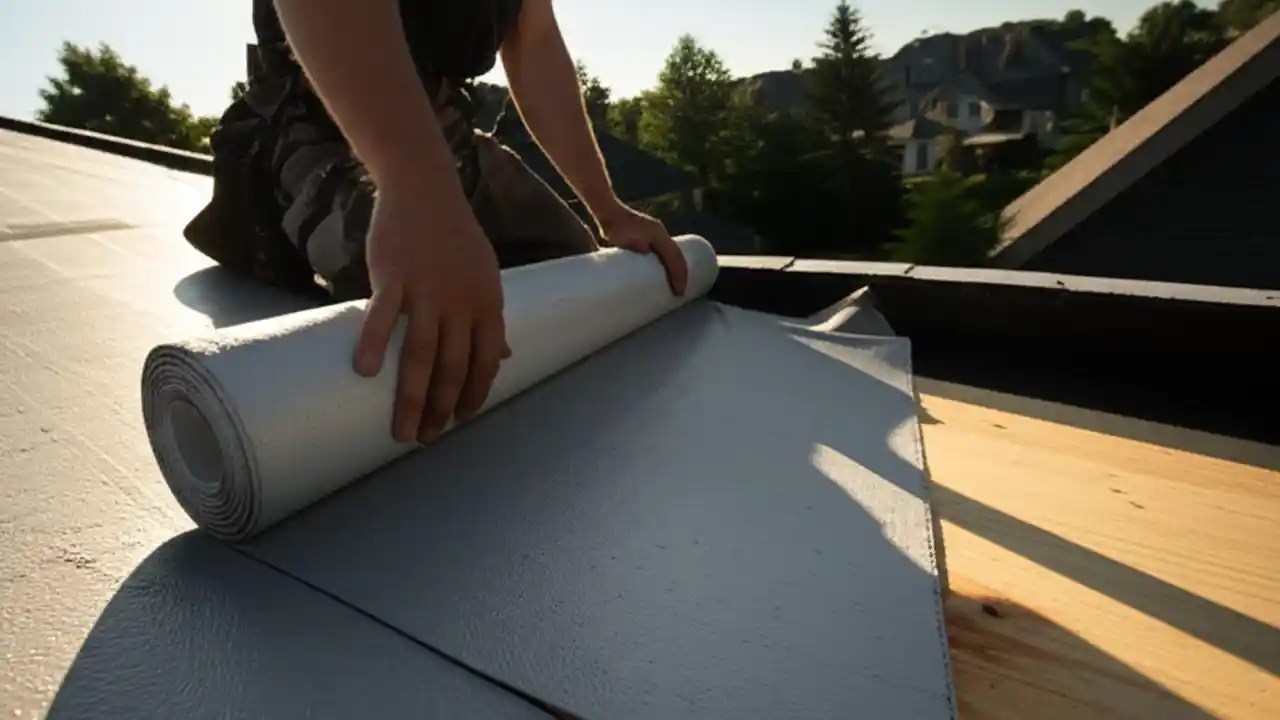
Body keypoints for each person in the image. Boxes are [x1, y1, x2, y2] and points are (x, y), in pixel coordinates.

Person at [184, 0, 689, 446]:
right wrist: (416, 193)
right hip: (315, 129)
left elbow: (534, 42)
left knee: (580, 279)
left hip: (450, 139)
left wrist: (608, 210)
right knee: (413, 324)